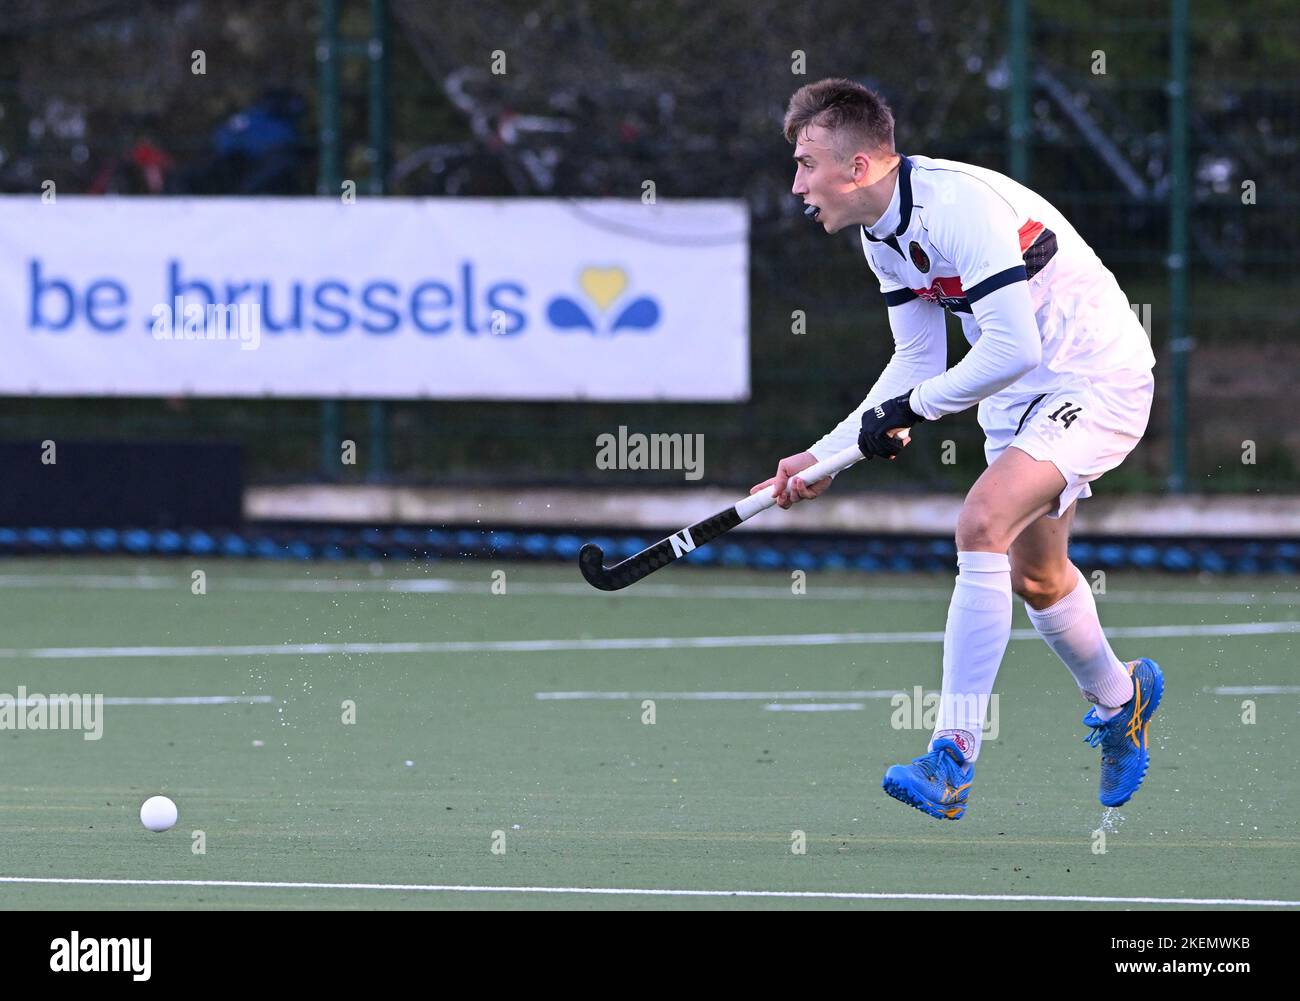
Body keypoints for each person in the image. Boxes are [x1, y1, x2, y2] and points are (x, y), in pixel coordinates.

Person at [752, 78, 1161, 820]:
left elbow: (1010, 345)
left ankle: (952, 756)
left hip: (1094, 372)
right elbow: (916, 361)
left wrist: (912, 411)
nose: (796, 183)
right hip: (1017, 394)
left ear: (861, 167)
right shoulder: (884, 237)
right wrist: (825, 455)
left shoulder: (957, 208)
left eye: (808, 163)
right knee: (1038, 578)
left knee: (980, 524)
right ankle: (1121, 697)